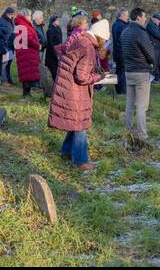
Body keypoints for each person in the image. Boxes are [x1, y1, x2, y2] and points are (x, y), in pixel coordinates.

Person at [48, 14, 106, 172]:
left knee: (75, 121)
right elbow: (81, 76)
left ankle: (66, 151)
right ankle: (80, 161)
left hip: (67, 87)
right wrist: (98, 77)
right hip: (75, 90)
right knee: (80, 123)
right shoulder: (87, 46)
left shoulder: (78, 38)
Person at [120, 8, 156, 140]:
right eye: (144, 16)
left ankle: (128, 131)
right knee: (141, 106)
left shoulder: (125, 32)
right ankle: (142, 135)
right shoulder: (141, 33)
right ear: (138, 18)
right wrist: (153, 64)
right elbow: (150, 54)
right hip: (141, 72)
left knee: (129, 104)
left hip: (129, 71)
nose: (146, 19)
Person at [14, 10, 43, 98]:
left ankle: (27, 92)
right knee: (26, 73)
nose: (30, 17)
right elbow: (28, 38)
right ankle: (26, 93)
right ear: (25, 16)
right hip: (26, 52)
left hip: (27, 51)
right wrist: (37, 45)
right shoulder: (22, 24)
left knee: (27, 72)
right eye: (30, 15)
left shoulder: (23, 24)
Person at [110, 9, 129, 94]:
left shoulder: (116, 24)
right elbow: (122, 39)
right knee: (121, 72)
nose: (128, 17)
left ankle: (119, 89)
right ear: (122, 15)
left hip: (119, 52)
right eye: (126, 15)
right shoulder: (120, 25)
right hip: (122, 52)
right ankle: (121, 91)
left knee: (119, 71)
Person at [0, 7, 17, 86]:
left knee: (9, 64)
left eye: (13, 14)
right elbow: (0, 31)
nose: (12, 16)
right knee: (4, 63)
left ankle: (8, 79)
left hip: (11, 45)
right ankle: (3, 80)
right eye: (11, 14)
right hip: (5, 45)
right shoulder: (1, 20)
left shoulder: (11, 21)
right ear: (6, 13)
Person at [44, 15, 64, 80]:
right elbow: (50, 43)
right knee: (54, 72)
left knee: (58, 72)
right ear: (53, 22)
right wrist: (55, 54)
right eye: (57, 20)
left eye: (59, 20)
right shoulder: (50, 30)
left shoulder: (58, 29)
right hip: (52, 54)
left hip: (58, 53)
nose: (59, 21)